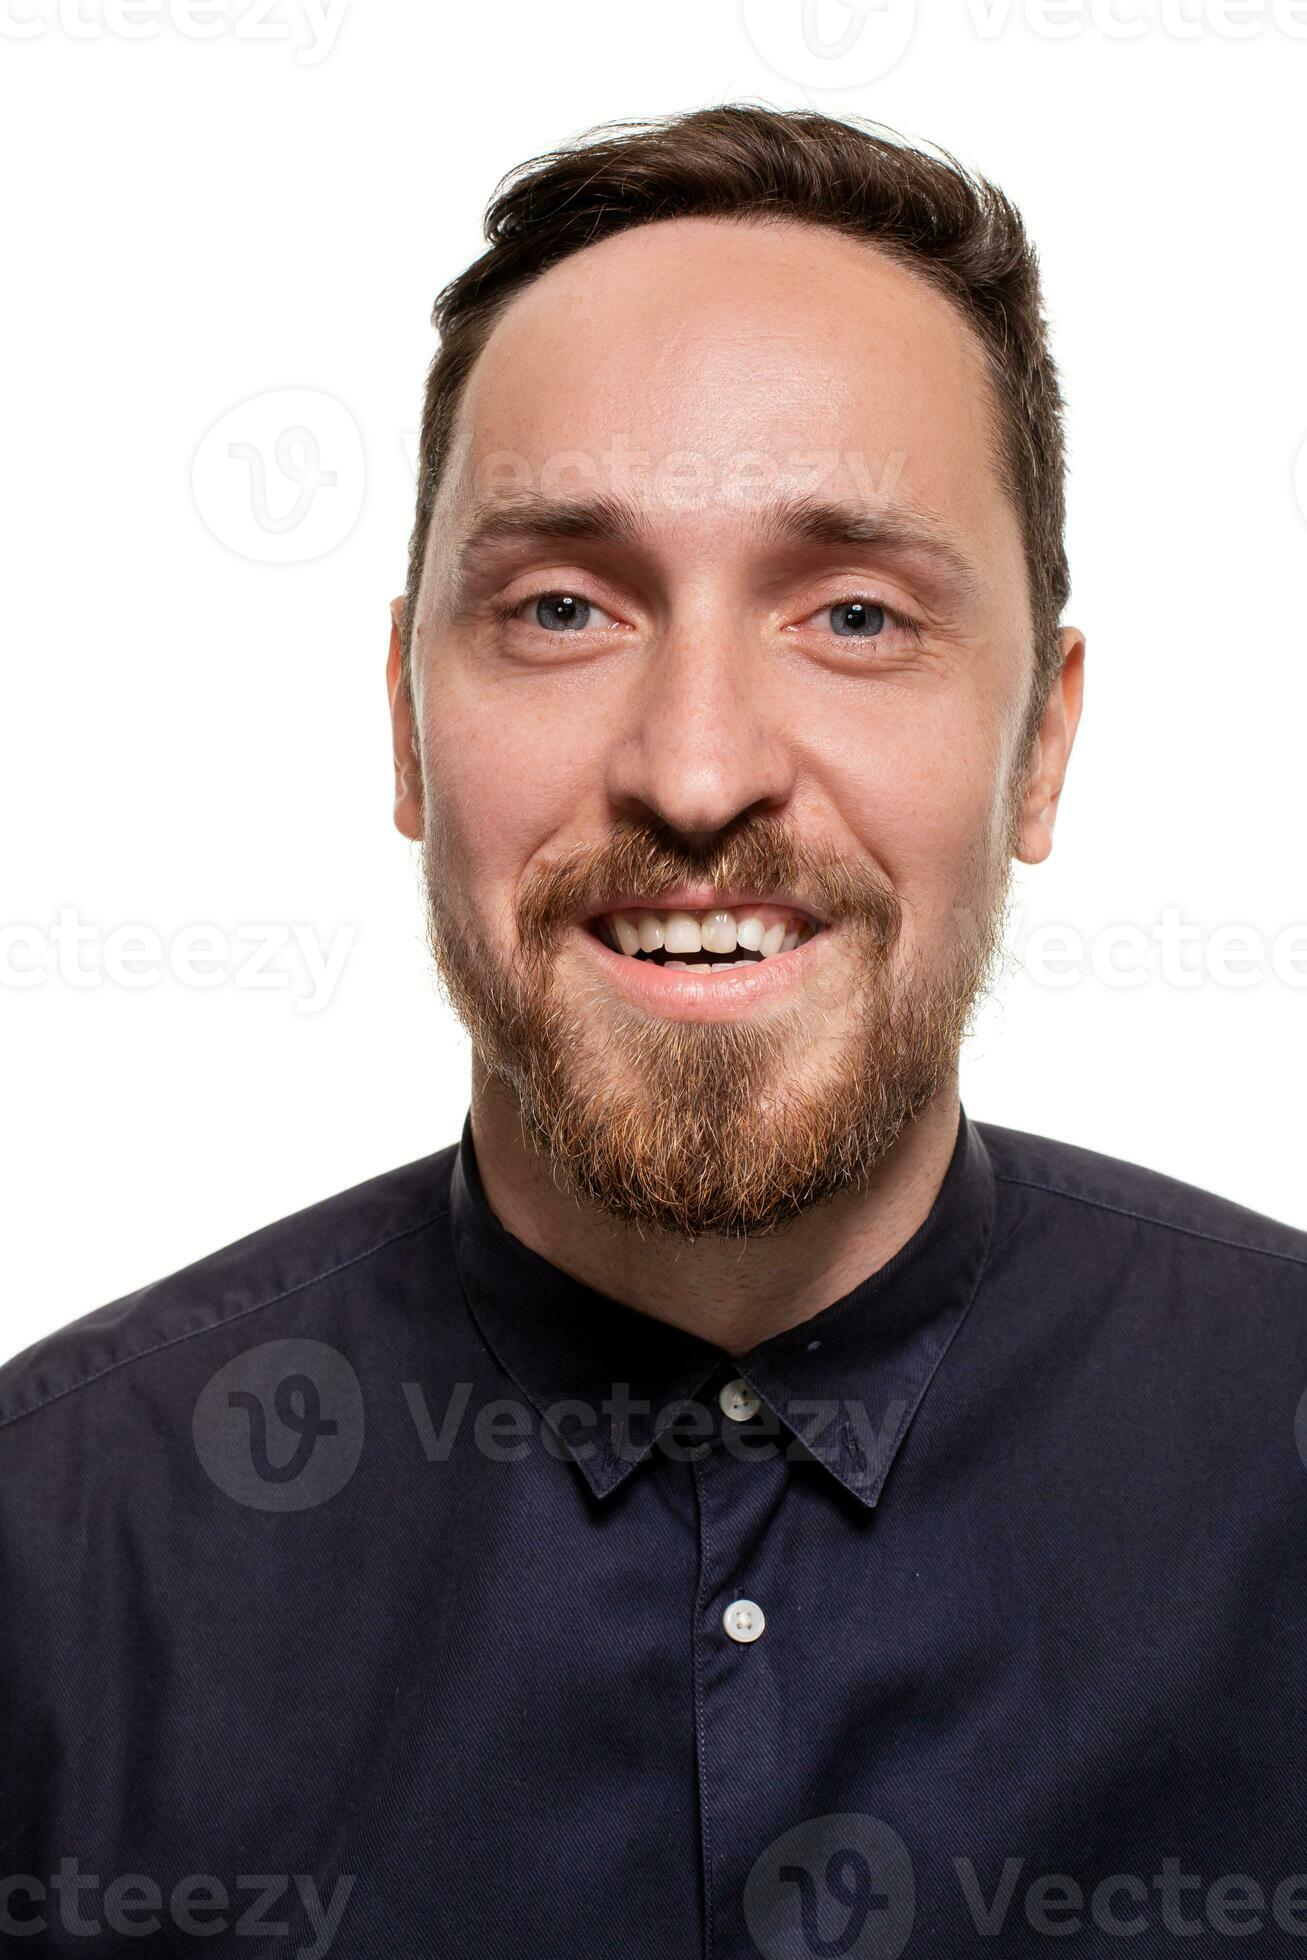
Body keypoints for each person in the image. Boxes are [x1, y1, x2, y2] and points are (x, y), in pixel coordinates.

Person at [4, 104, 1306, 1960]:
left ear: (1045, 743)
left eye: (855, 613)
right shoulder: (51, 1566)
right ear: (403, 722)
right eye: (561, 608)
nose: (697, 771)